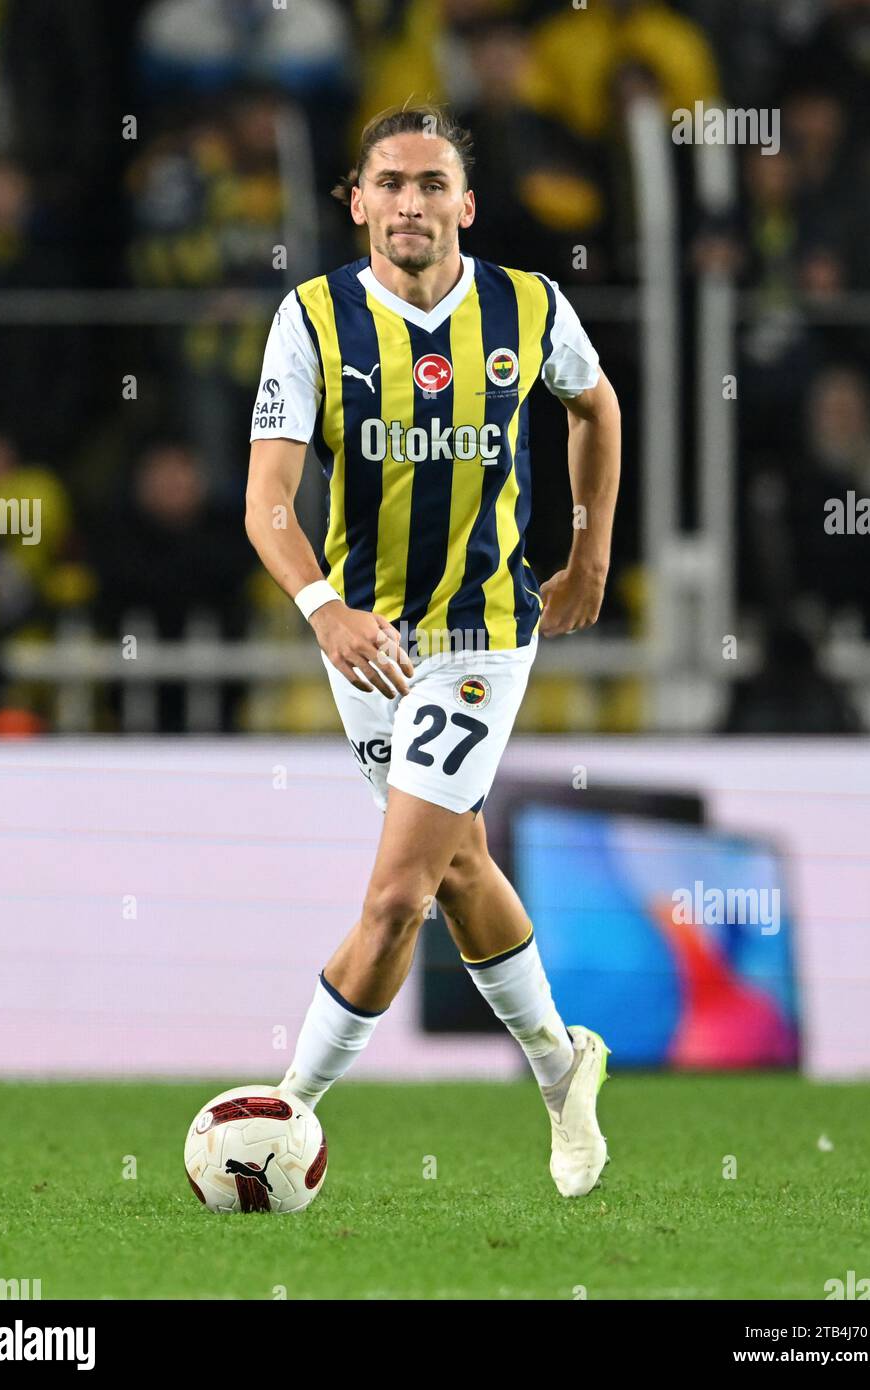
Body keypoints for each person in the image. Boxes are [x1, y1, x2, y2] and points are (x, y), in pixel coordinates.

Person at [244, 101, 622, 1198]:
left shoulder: (525, 305)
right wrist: (321, 605)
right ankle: (562, 1068)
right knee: (458, 868)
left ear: (466, 203)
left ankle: (281, 1111)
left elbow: (592, 409)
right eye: (389, 185)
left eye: (430, 184)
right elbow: (268, 500)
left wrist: (587, 557)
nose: (410, 203)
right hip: (363, 642)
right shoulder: (311, 319)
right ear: (355, 203)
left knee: (397, 893)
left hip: (480, 638)